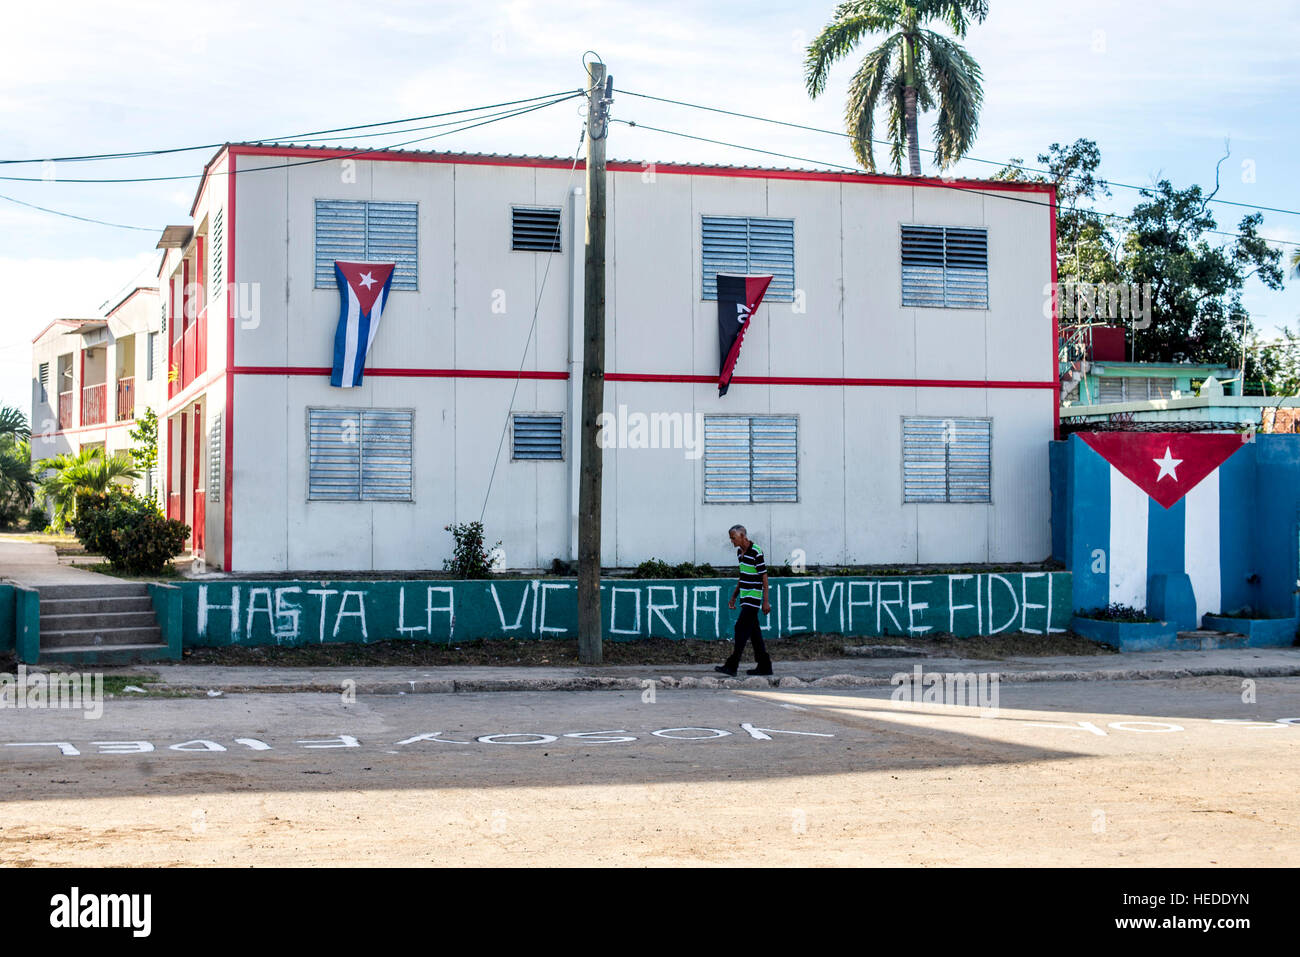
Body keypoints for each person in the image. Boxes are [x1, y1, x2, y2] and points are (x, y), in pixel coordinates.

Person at [715, 524, 773, 677]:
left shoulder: (756, 551)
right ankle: (765, 666)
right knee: (754, 633)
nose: (732, 541)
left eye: (733, 538)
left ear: (742, 536)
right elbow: (743, 575)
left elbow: (764, 577)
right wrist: (734, 596)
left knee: (740, 628)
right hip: (744, 596)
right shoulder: (740, 553)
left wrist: (765, 601)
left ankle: (732, 666)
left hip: (754, 597)